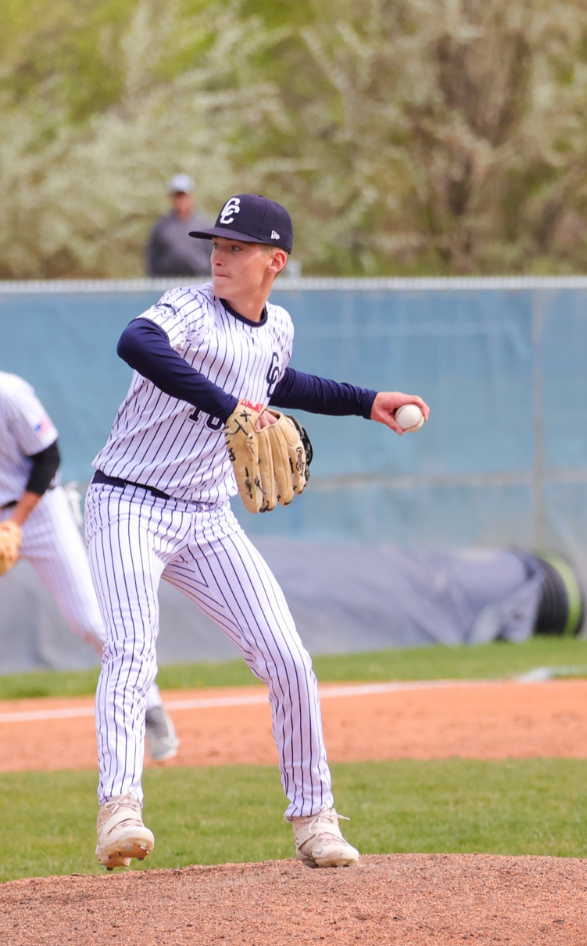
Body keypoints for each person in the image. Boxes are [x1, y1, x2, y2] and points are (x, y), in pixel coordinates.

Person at [86, 194, 429, 869]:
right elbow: (136, 343)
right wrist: (228, 408)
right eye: (217, 242)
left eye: (237, 247)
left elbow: (280, 381)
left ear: (275, 262)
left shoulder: (278, 328)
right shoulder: (187, 309)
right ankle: (119, 809)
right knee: (131, 651)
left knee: (289, 659)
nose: (219, 254)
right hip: (127, 503)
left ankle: (314, 819)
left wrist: (366, 402)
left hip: (207, 516)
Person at [0, 310, 179, 776]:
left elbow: (48, 458)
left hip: (41, 513)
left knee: (88, 620)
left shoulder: (6, 394)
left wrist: (17, 523)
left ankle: (151, 705)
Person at [144, 174, 213, 277]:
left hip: (198, 281)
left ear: (191, 196)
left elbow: (212, 253)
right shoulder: (161, 226)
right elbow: (152, 257)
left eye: (183, 195)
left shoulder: (204, 225)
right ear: (171, 198)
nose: (181, 200)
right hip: (167, 283)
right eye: (177, 196)